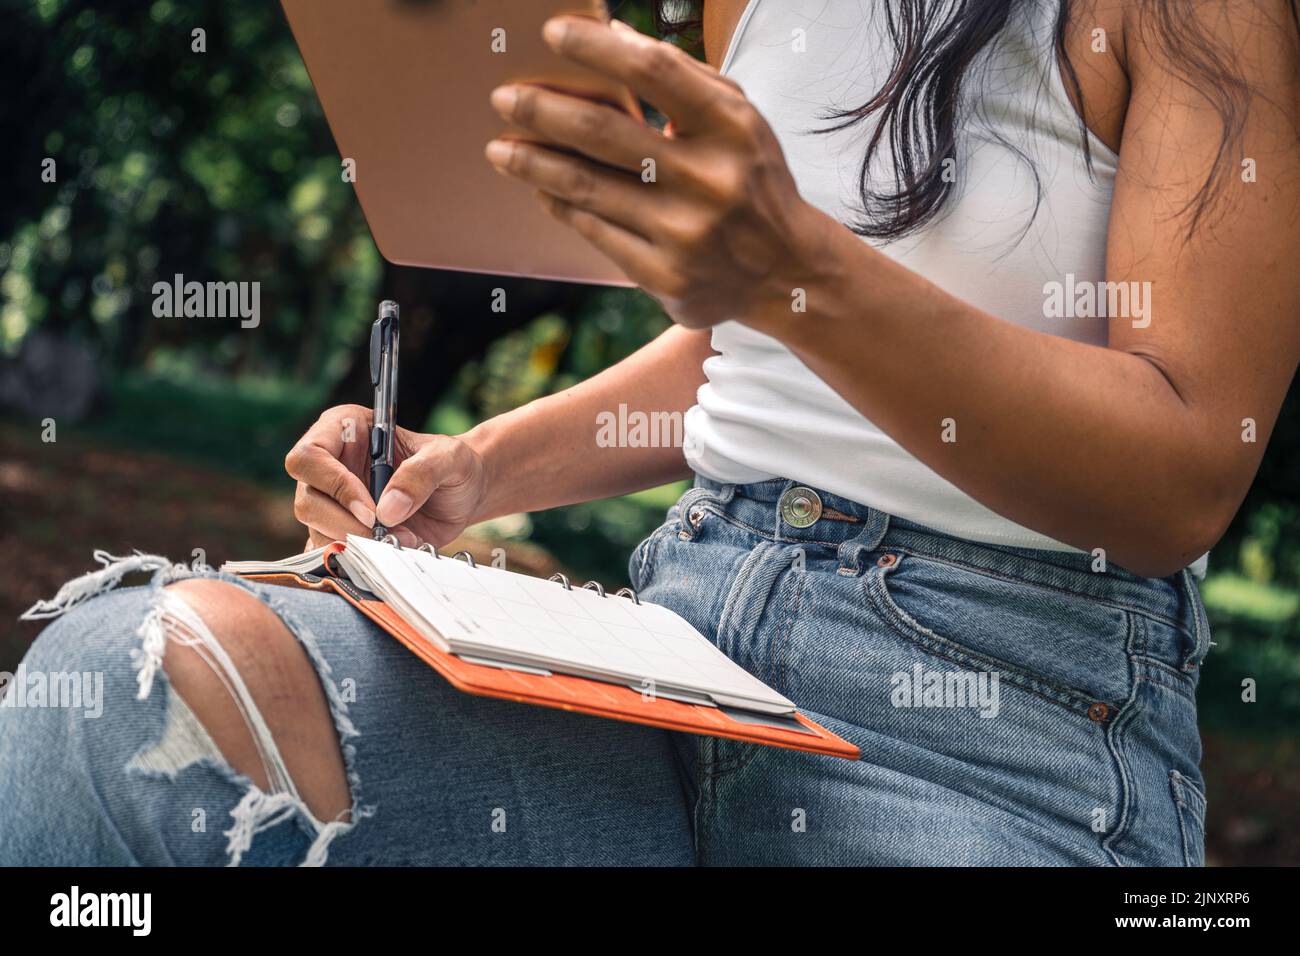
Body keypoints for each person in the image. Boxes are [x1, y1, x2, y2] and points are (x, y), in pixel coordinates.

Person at [3, 0, 1297, 865]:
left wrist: (798, 265)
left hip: (1002, 706)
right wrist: (478, 466)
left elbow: (1184, 467)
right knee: (123, 683)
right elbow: (757, 340)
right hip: (691, 642)